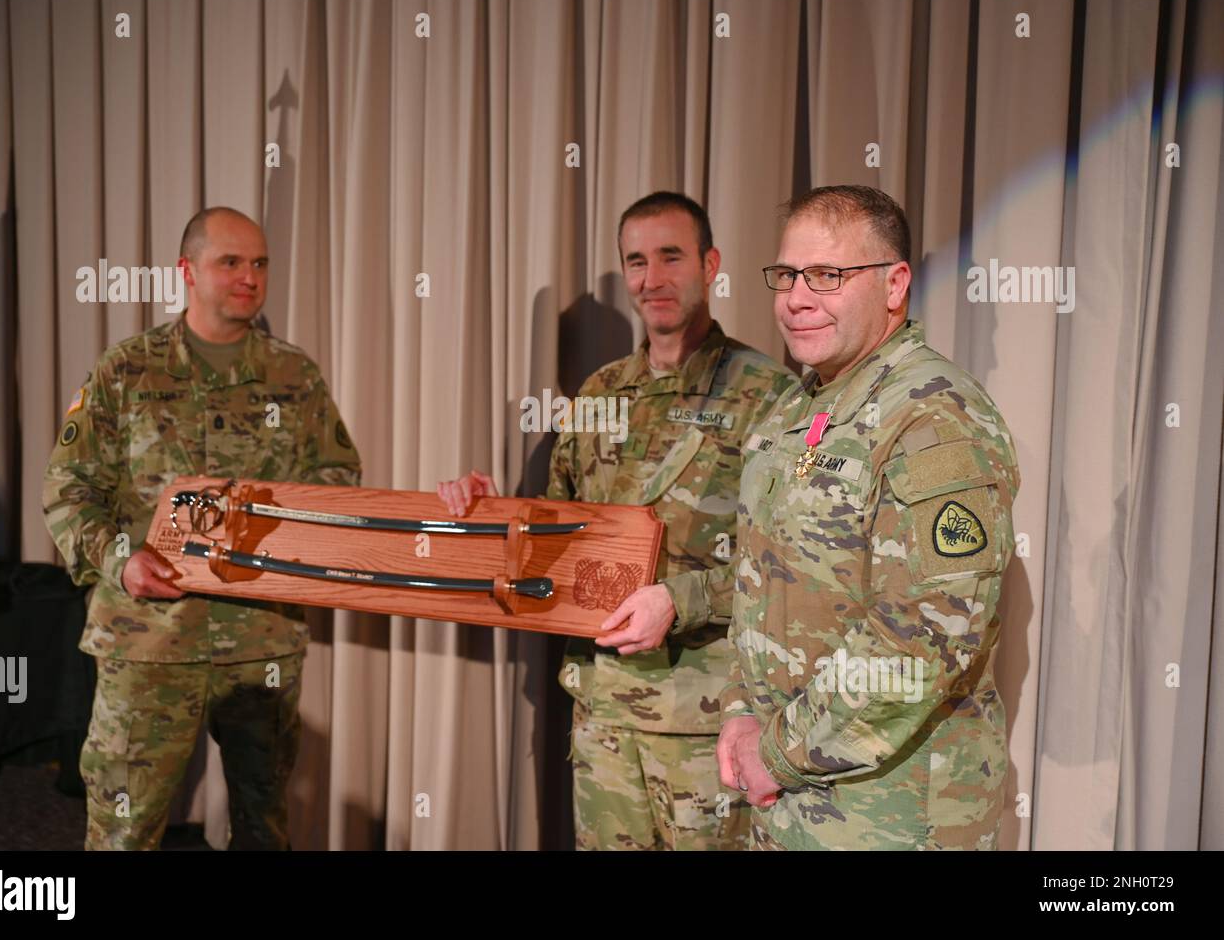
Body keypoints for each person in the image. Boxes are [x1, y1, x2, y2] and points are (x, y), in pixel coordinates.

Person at [615, 184, 1020, 849]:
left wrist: (776, 752)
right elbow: (767, 580)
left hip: (889, 817)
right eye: (788, 275)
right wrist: (742, 710)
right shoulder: (796, 410)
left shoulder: (934, 417)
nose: (797, 298)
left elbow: (921, 638)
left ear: (894, 284)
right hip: (788, 802)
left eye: (828, 275)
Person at [438, 192, 794, 849]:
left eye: (671, 257)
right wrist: (492, 511)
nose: (652, 278)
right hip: (602, 714)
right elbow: (557, 531)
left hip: (706, 722)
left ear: (710, 264)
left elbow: (793, 565)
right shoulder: (600, 393)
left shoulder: (768, 394)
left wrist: (681, 600)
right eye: (636, 261)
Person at [43, 207, 362, 850]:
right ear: (187, 271)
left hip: (260, 640)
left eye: (260, 263)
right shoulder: (127, 370)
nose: (250, 277)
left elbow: (338, 480)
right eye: (231, 262)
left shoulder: (294, 376)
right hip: (148, 641)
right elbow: (69, 490)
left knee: (264, 825)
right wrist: (123, 561)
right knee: (124, 830)